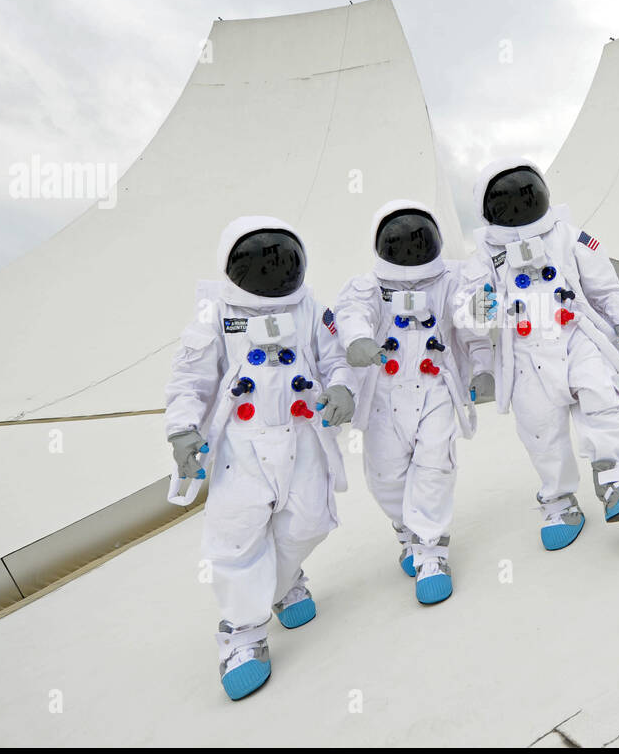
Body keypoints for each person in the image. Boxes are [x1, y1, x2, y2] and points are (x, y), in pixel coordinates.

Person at [164, 216, 356, 701]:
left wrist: (340, 387)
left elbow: (333, 357)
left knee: (310, 521)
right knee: (237, 536)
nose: (273, 271)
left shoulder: (309, 304)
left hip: (303, 432)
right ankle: (243, 635)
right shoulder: (215, 313)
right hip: (242, 444)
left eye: (281, 260)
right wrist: (183, 429)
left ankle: (283, 583)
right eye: (261, 262)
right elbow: (190, 380)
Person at [468, 159, 619, 551]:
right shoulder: (483, 258)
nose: (519, 205)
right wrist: (481, 316)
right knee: (541, 431)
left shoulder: (568, 236)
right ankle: (558, 500)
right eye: (507, 201)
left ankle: (616, 477)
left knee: (604, 400)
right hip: (525, 355)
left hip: (577, 336)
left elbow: (604, 284)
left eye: (525, 195)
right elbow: (470, 316)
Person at [335, 200, 492, 604]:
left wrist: (481, 354)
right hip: (384, 395)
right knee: (385, 476)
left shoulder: (452, 278)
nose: (409, 247)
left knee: (435, 463)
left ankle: (431, 551)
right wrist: (358, 340)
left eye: (417, 239)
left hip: (434, 385)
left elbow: (470, 316)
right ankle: (406, 529)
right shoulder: (367, 286)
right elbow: (353, 313)